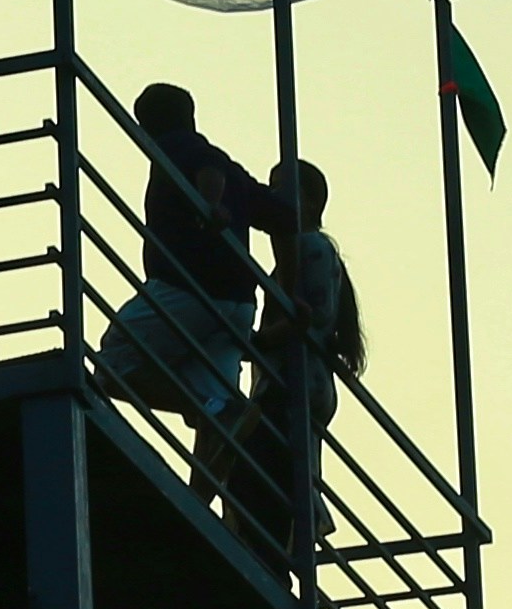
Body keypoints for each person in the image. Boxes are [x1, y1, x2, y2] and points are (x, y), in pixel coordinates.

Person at [212, 157, 367, 552]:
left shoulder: (312, 248)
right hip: (288, 377)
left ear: (312, 202)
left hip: (296, 378)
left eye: (284, 187)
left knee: (267, 466)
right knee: (282, 466)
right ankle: (286, 536)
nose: (274, 193)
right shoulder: (300, 250)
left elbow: (315, 316)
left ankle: (288, 537)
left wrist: (261, 341)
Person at [97, 81, 268, 432]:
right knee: (221, 417)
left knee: (113, 363)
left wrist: (210, 204)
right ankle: (204, 473)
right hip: (238, 303)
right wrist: (296, 291)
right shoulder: (233, 171)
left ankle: (209, 405)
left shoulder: (174, 146)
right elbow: (284, 217)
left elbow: (205, 165)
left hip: (188, 288)